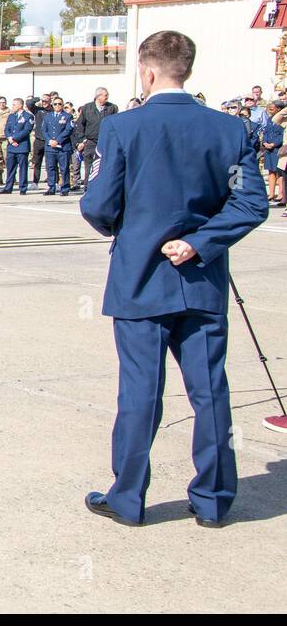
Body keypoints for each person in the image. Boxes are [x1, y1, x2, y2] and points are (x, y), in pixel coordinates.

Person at [81, 30, 268, 528]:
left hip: (141, 279)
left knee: (140, 392)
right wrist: (200, 242)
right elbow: (251, 203)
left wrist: (125, 230)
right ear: (188, 68)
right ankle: (211, 500)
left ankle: (127, 499)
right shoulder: (229, 130)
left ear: (146, 70)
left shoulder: (124, 128)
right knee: (210, 392)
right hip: (202, 280)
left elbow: (99, 204)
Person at [76, 87, 118, 184]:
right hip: (90, 143)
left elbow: (116, 124)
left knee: (104, 166)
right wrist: (83, 140)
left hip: (106, 142)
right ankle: (88, 188)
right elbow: (80, 125)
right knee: (89, 167)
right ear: (98, 97)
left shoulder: (112, 108)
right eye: (105, 95)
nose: (107, 98)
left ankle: (102, 188)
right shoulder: (87, 108)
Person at [0, 96, 33, 194]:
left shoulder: (28, 116)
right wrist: (10, 139)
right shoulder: (11, 116)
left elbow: (27, 130)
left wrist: (15, 138)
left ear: (20, 105)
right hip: (11, 146)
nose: (12, 106)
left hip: (21, 146)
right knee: (10, 168)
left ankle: (22, 188)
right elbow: (7, 129)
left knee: (22, 168)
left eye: (14, 104)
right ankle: (8, 187)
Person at [40, 96, 73, 196]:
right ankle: (51, 187)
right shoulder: (47, 116)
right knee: (50, 168)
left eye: (59, 104)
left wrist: (57, 141)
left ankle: (65, 188)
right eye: (55, 104)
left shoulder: (67, 116)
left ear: (62, 105)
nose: (57, 106)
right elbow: (43, 130)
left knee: (64, 168)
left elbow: (68, 130)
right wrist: (50, 140)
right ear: (52, 105)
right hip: (50, 147)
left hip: (63, 147)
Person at [262, 102, 284, 207]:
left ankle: (281, 194)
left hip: (277, 149)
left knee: (279, 172)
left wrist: (274, 144)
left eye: (272, 108)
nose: (270, 110)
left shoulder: (282, 120)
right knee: (271, 171)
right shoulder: (269, 120)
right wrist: (265, 142)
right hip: (269, 150)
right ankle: (271, 194)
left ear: (278, 109)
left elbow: (282, 135)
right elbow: (266, 132)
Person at [28, 93, 51, 185]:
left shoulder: (53, 110)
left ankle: (53, 181)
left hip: (49, 140)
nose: (44, 102)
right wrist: (38, 99)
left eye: (46, 101)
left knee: (50, 162)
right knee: (37, 162)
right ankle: (35, 182)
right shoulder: (38, 110)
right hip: (39, 139)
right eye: (43, 101)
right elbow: (29, 103)